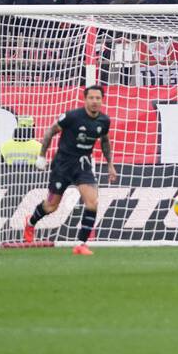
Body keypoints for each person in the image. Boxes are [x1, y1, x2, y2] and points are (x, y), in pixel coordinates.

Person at [23, 86, 117, 255]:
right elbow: (50, 131)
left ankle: (81, 244)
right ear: (85, 99)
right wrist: (42, 156)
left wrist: (110, 164)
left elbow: (104, 141)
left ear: (102, 100)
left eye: (98, 98)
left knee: (92, 202)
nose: (95, 101)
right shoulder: (72, 117)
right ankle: (30, 223)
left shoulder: (104, 121)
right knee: (51, 206)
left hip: (83, 165)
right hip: (63, 164)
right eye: (92, 98)